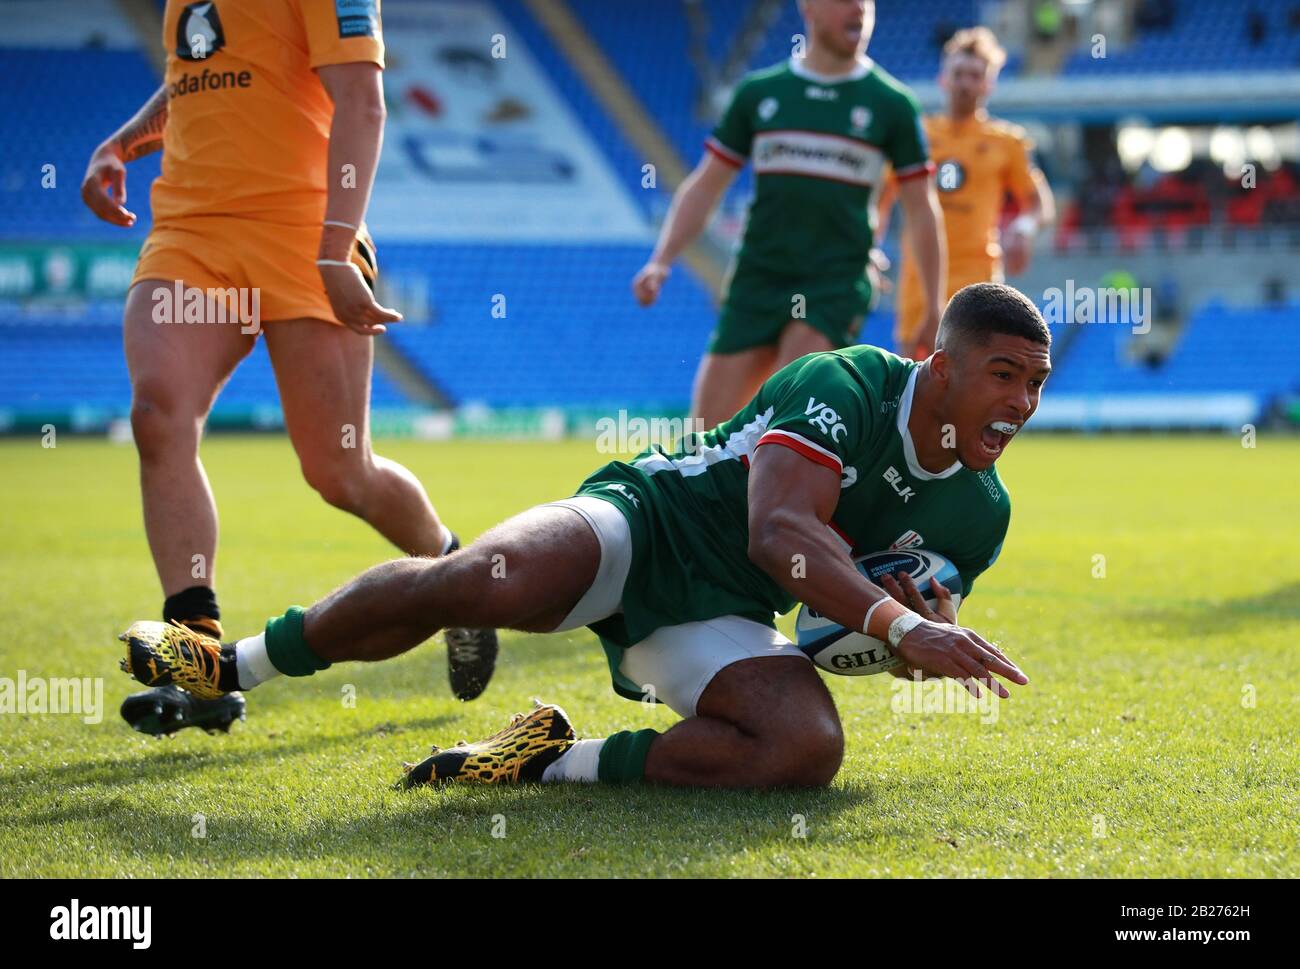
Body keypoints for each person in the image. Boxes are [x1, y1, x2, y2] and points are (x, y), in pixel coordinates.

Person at [117, 283, 1045, 789]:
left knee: (804, 746)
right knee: (486, 577)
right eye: (1002, 374)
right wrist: (899, 624)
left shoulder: (983, 512)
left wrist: (918, 642)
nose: (1020, 402)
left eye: (1035, 383)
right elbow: (780, 533)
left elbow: (899, 635)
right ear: (940, 365)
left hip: (723, 609)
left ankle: (546, 758)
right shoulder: (849, 383)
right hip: (649, 520)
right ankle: (229, 665)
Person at [80, 0, 497, 733]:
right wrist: (122, 141)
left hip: (305, 230)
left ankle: (454, 577)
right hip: (194, 232)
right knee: (158, 414)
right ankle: (198, 656)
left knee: (340, 472)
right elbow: (196, 75)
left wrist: (336, 249)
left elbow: (363, 102)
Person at [632, 0, 946, 428]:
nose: (858, 8)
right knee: (704, 438)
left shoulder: (891, 103)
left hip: (834, 283)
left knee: (784, 419)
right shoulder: (761, 93)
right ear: (809, 8)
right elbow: (706, 185)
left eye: (866, 1)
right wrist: (662, 259)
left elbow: (922, 208)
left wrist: (933, 305)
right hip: (757, 279)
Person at [876, 27, 1055, 359]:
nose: (965, 83)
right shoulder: (917, 135)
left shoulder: (1008, 141)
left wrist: (1024, 226)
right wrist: (870, 249)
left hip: (978, 282)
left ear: (989, 84)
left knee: (974, 373)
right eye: (958, 74)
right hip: (919, 283)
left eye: (975, 76)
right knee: (914, 378)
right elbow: (881, 199)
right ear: (943, 79)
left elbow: (1039, 203)